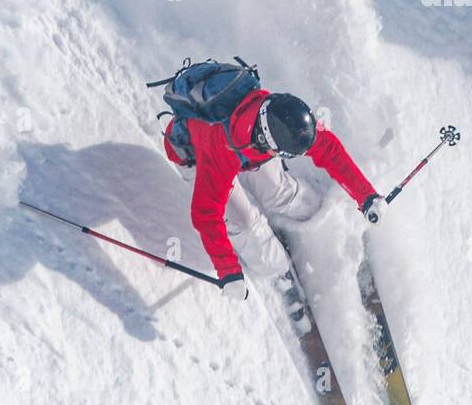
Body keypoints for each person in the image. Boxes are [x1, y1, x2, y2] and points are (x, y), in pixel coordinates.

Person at [163, 86, 382, 299]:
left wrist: (367, 196)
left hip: (248, 150)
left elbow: (328, 149)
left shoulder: (285, 117)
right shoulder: (220, 150)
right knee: (245, 223)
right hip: (199, 159)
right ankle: (277, 271)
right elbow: (206, 215)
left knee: (280, 192)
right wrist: (228, 271)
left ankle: (321, 225)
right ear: (266, 142)